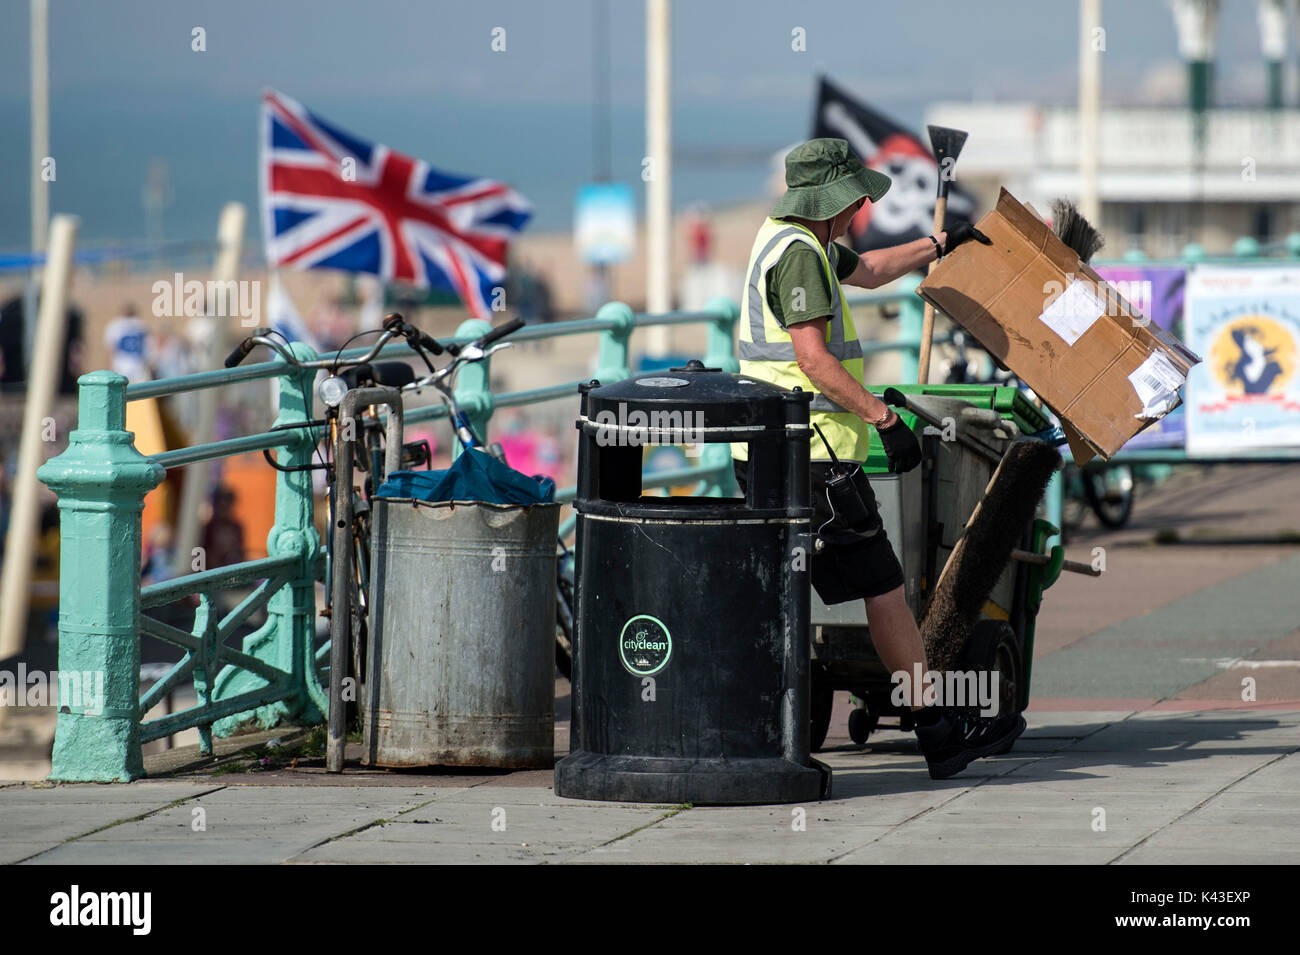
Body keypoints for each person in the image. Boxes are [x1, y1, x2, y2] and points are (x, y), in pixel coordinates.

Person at [731, 137, 1022, 779]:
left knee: (778, 591)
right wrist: (882, 417)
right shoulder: (801, 257)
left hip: (772, 451)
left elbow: (869, 269)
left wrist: (940, 244)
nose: (861, 207)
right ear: (833, 199)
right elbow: (811, 359)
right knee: (885, 588)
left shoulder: (784, 237)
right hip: (813, 454)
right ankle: (939, 734)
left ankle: (756, 727)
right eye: (856, 197)